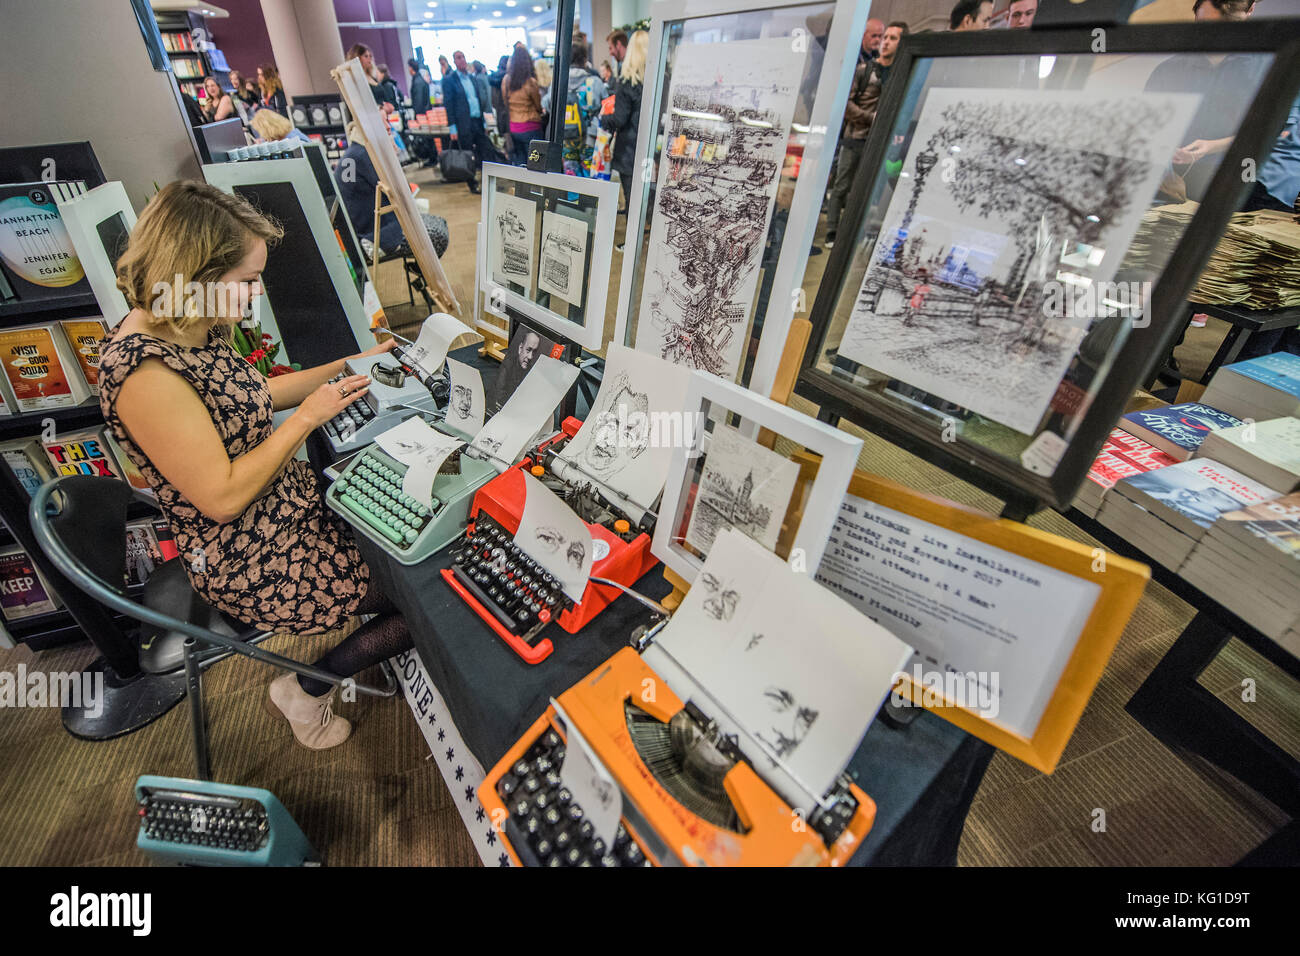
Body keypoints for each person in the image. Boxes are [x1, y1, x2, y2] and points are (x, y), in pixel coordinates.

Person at [100, 181, 411, 750]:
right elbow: (220, 497)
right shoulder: (145, 376)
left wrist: (354, 363)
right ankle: (306, 690)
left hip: (289, 513)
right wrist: (307, 419)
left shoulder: (190, 326)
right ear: (194, 274)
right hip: (249, 556)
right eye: (246, 280)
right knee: (422, 602)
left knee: (405, 547)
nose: (256, 292)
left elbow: (254, 395)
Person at [825, 23, 906, 248]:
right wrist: (872, 118)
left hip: (881, 143)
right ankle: (832, 232)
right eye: (883, 37)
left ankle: (852, 233)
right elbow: (846, 105)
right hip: (854, 137)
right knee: (842, 186)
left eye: (892, 38)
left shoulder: (900, 74)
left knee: (865, 191)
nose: (886, 42)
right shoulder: (864, 70)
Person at [335, 121, 450, 259]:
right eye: (383, 121)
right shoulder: (365, 155)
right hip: (373, 236)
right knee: (438, 235)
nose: (389, 126)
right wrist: (392, 157)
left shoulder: (355, 152)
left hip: (365, 229)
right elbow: (399, 192)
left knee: (437, 224)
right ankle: (426, 278)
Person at [442, 50, 504, 194]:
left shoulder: (472, 78)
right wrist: (452, 128)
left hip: (477, 121)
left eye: (463, 57)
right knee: (468, 154)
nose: (462, 60)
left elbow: (479, 100)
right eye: (458, 58)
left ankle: (489, 181)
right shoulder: (450, 80)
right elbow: (449, 104)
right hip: (463, 124)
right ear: (454, 61)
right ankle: (472, 183)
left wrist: (483, 122)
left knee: (486, 150)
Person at [600, 30, 647, 207]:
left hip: (629, 151)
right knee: (647, 205)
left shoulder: (628, 81)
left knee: (632, 202)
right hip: (650, 152)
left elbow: (619, 119)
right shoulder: (659, 80)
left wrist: (604, 118)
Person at [502, 44, 545, 166]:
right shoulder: (530, 82)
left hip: (514, 127)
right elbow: (538, 106)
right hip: (531, 127)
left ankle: (521, 186)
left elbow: (505, 102)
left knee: (520, 166)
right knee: (536, 164)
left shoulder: (506, 80)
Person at [345, 44, 395, 113]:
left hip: (383, 116)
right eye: (366, 56)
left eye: (370, 56)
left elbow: (383, 99)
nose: (369, 58)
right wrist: (380, 108)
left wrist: (387, 106)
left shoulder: (373, 77)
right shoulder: (354, 80)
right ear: (357, 58)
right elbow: (358, 105)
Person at [489, 54, 511, 141]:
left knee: (506, 140)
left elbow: (493, 101)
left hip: (499, 112)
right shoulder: (508, 78)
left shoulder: (493, 78)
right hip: (509, 113)